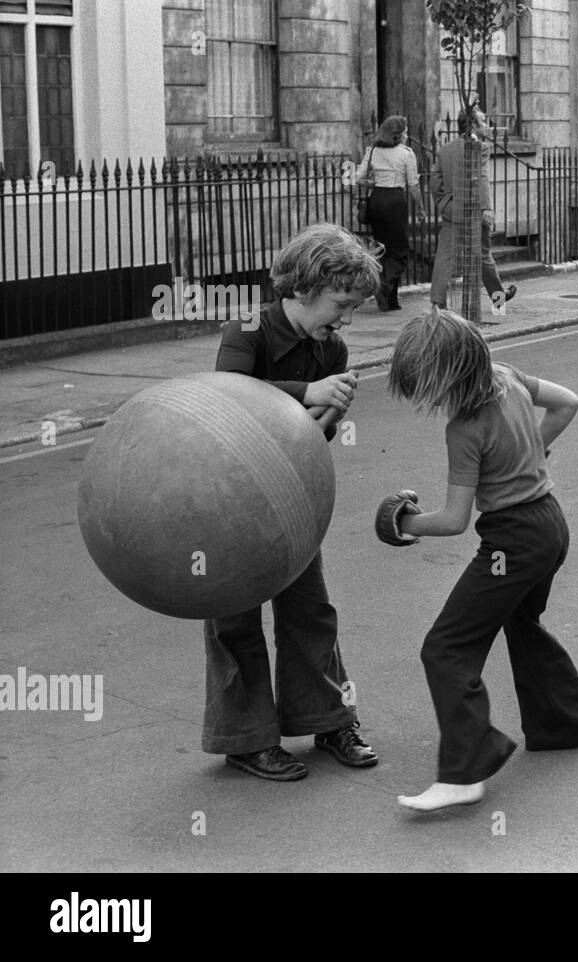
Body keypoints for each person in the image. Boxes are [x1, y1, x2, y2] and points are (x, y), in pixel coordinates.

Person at [376, 309, 578, 812]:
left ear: (444, 376)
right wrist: (531, 457)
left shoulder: (464, 428)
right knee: (521, 620)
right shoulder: (508, 377)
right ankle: (570, 722)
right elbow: (569, 402)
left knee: (446, 648)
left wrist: (403, 523)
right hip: (549, 524)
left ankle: (466, 769)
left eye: (424, 387)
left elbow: (456, 519)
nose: (425, 400)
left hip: (512, 542)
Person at [203, 223, 383, 781]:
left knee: (311, 611)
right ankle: (247, 738)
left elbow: (311, 439)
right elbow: (229, 401)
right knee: (234, 622)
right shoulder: (248, 327)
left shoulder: (332, 346)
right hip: (226, 503)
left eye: (353, 309)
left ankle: (330, 720)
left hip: (290, 502)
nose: (345, 319)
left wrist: (327, 418)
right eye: (341, 303)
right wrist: (308, 394)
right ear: (307, 285)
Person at [428, 107, 517, 313]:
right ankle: (497, 299)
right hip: (474, 209)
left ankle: (437, 302)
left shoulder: (445, 150)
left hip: (452, 210)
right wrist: (487, 208)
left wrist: (444, 203)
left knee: (445, 255)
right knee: (483, 255)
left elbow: (435, 180)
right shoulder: (480, 147)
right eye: (483, 121)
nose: (487, 125)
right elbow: (482, 177)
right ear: (473, 125)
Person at [358, 115, 426, 311]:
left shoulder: (372, 151)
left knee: (383, 249)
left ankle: (391, 301)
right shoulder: (406, 153)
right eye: (404, 131)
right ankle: (383, 286)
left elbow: (358, 178)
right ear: (398, 135)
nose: (407, 134)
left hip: (376, 200)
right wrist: (420, 209)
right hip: (395, 201)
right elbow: (413, 186)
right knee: (399, 251)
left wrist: (372, 182)